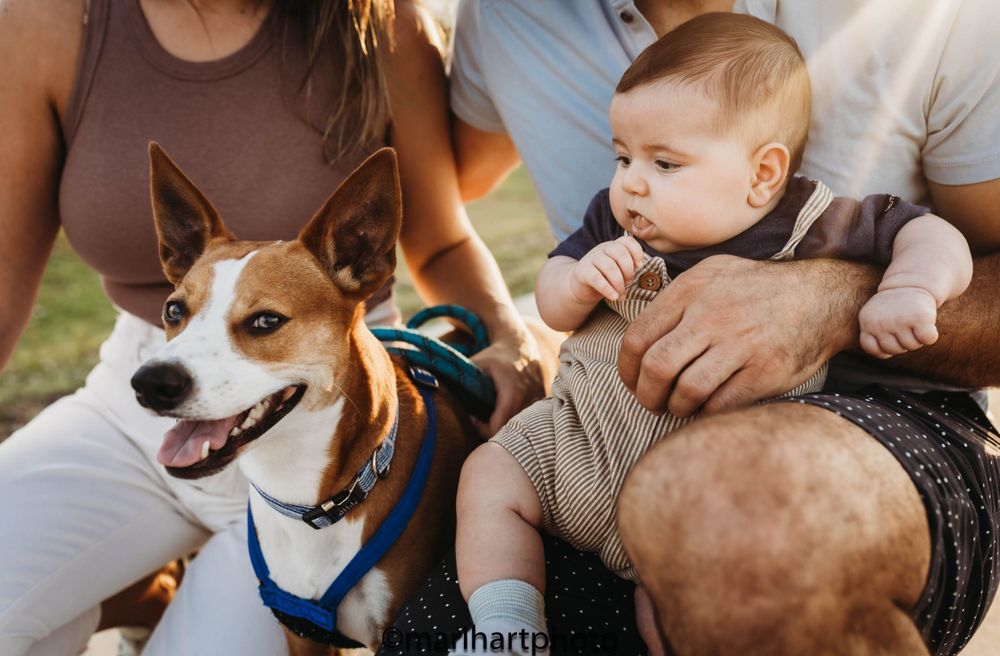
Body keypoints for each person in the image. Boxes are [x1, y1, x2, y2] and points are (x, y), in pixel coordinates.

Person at [381, 1, 1000, 655]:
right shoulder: (520, 32)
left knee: (702, 564)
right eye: (622, 159)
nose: (631, 185)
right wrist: (576, 279)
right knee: (478, 508)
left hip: (831, 433)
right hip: (588, 439)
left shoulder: (812, 217)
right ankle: (508, 627)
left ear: (764, 173)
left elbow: (929, 237)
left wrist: (894, 293)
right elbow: (477, 204)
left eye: (663, 165)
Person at [0, 0, 544, 654]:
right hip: (140, 398)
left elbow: (441, 242)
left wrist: (510, 340)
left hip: (332, 416)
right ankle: (140, 589)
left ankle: (145, 594)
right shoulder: (45, 21)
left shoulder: (381, 22)